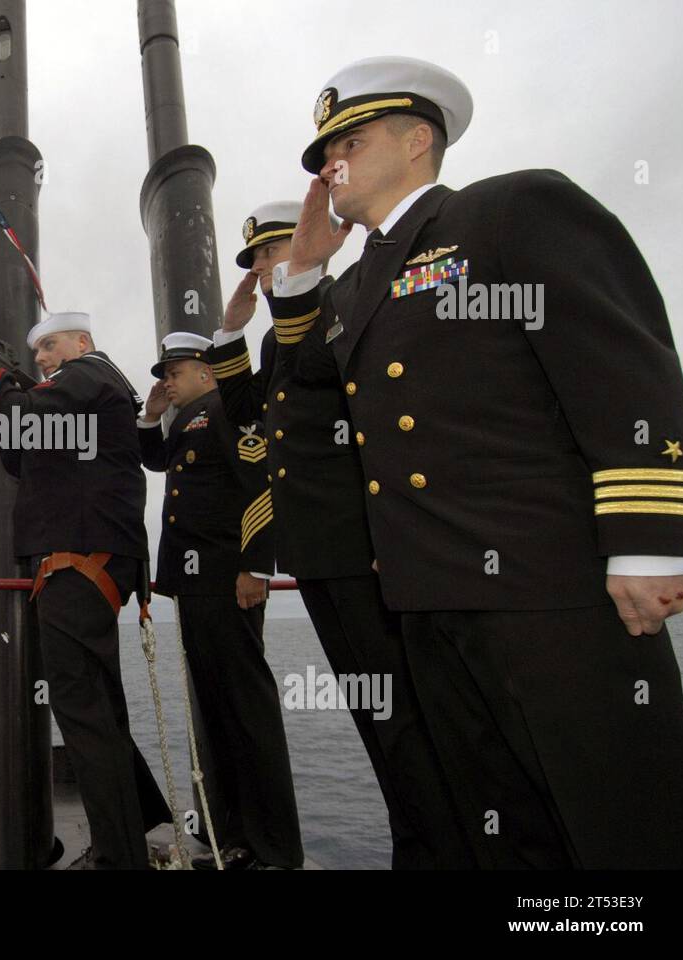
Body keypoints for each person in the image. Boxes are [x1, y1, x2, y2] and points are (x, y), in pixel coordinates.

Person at [272, 54, 683, 867]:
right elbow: (303, 389)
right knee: (502, 824)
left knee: (621, 821)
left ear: (418, 138)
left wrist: (650, 542)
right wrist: (303, 271)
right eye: (324, 151)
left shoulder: (509, 211)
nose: (331, 163)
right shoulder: (355, 286)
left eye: (349, 139)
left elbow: (623, 364)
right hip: (429, 600)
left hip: (549, 592)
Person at [209, 201, 472, 868]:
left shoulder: (341, 307)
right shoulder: (278, 334)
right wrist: (230, 332)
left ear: (312, 246)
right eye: (257, 262)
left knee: (403, 719)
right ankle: (418, 846)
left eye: (272, 253)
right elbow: (246, 419)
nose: (263, 270)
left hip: (363, 547)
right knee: (378, 718)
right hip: (320, 552)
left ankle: (440, 850)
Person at [0, 309, 172, 869]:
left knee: (83, 708)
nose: (41, 358)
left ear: (83, 341)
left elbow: (23, 415)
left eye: (49, 346)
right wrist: (0, 390)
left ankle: (120, 858)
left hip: (78, 561)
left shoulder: (90, 373)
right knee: (98, 708)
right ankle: (131, 830)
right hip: (88, 561)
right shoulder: (81, 393)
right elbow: (19, 452)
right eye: (36, 352)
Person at [138, 331, 303, 870]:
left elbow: (263, 484)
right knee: (216, 713)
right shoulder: (187, 418)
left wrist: (255, 567)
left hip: (228, 580)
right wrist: (149, 414)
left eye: (175, 373)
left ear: (206, 372)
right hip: (197, 585)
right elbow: (158, 462)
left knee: (246, 712)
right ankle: (234, 838)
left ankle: (274, 849)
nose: (167, 381)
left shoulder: (227, 409)